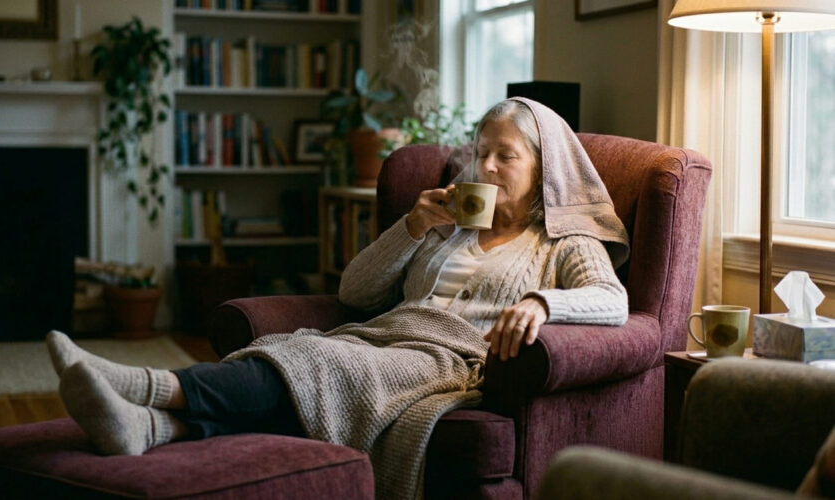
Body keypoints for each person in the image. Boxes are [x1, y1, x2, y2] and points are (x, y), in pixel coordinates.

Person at [48, 97, 629, 499]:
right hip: (384, 340)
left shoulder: (561, 239)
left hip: (448, 362)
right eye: (481, 152)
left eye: (507, 155)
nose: (488, 166)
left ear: (542, 167)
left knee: (321, 359)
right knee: (303, 353)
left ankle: (143, 385)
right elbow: (355, 291)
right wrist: (411, 228)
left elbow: (612, 301)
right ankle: (147, 430)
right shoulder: (448, 222)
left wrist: (544, 304)